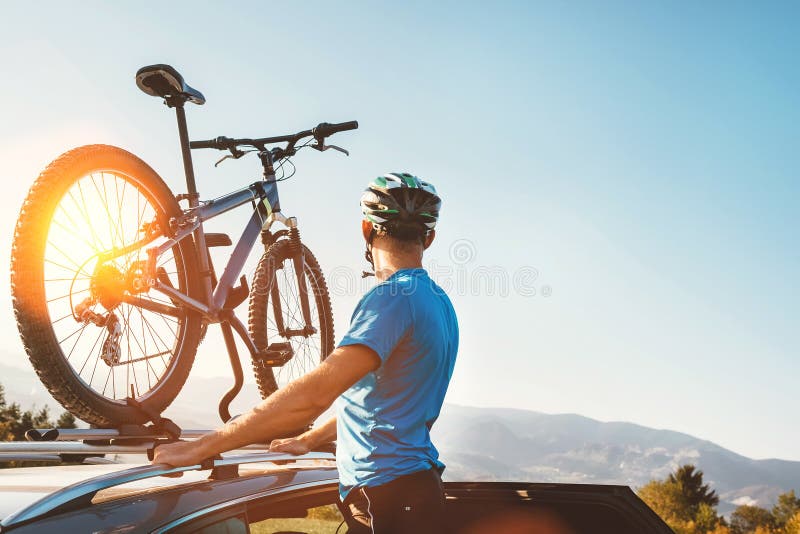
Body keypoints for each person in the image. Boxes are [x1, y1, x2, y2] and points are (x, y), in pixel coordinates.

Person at [152, 172, 459, 533]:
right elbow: (379, 403)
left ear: (366, 229)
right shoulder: (439, 304)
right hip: (415, 490)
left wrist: (201, 447)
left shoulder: (391, 299)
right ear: (430, 238)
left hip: (388, 497)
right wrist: (309, 440)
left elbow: (315, 396)